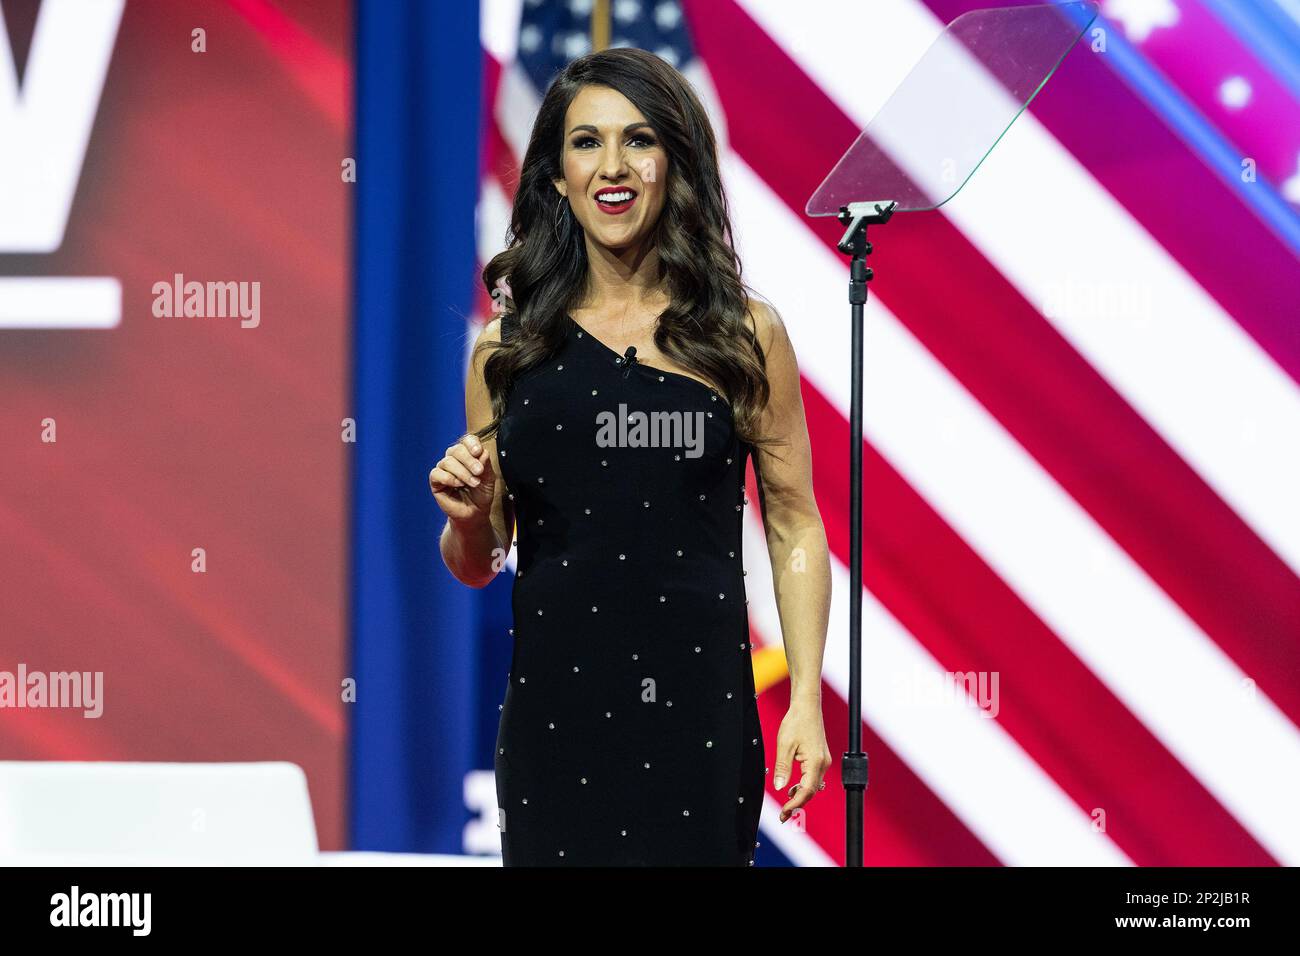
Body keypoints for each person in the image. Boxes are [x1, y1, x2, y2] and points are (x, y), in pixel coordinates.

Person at [430, 47, 831, 866]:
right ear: (553, 176)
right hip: (555, 727)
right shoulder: (507, 351)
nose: (612, 167)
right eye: (586, 143)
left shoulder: (743, 335)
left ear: (674, 163)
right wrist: (469, 519)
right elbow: (480, 559)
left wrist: (808, 704)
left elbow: (795, 524)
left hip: (699, 720)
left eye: (638, 140)